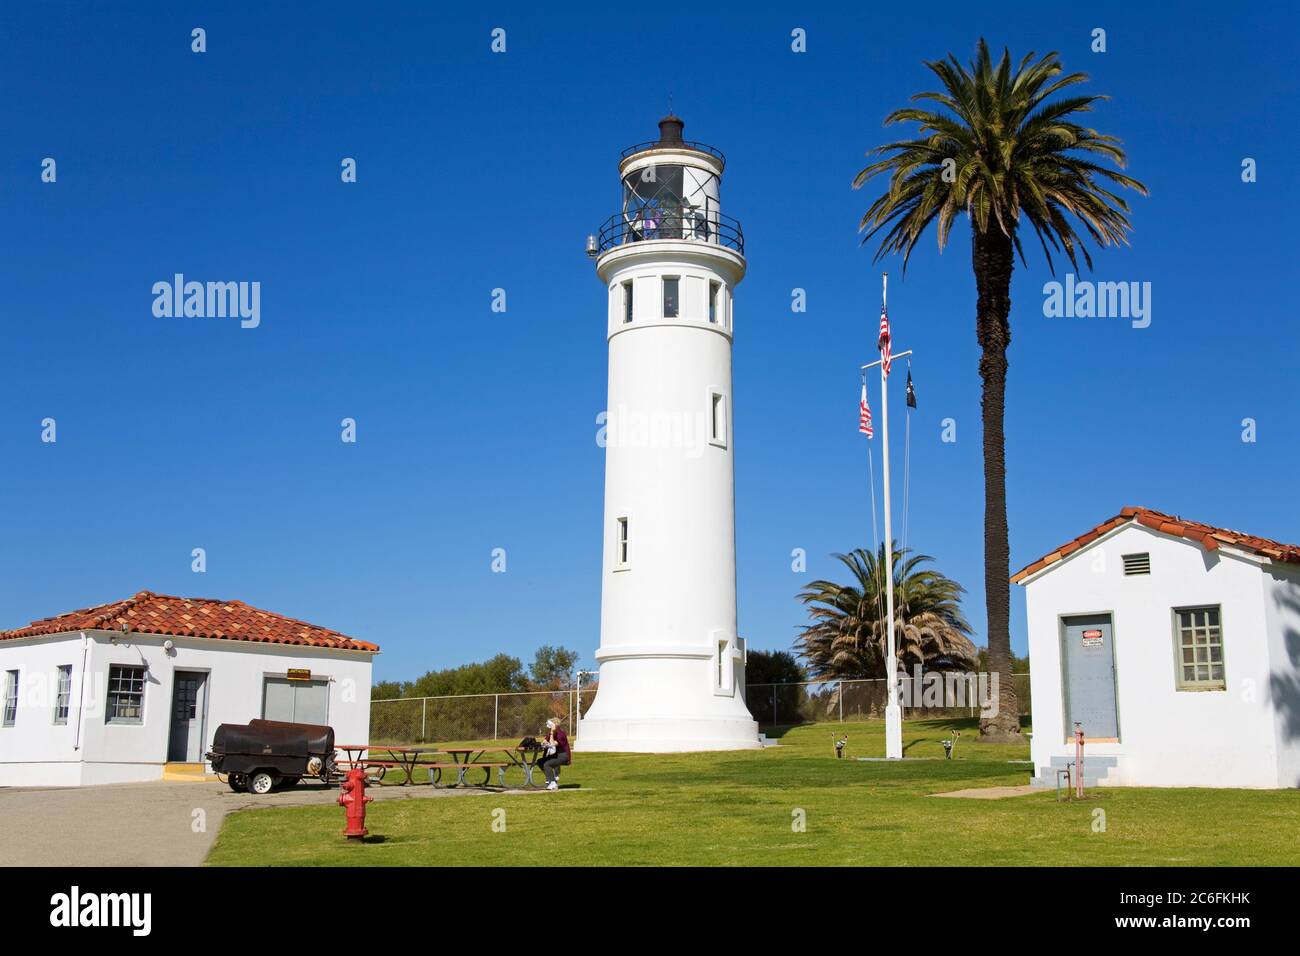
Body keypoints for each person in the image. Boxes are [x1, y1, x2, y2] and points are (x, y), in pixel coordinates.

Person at [539, 718, 571, 791]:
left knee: (547, 764)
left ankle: (553, 783)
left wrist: (552, 733)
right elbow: (544, 741)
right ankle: (551, 779)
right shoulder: (551, 733)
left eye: (552, 724)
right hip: (555, 755)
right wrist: (544, 743)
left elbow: (553, 744)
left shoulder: (561, 734)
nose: (550, 726)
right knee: (540, 761)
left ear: (556, 725)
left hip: (563, 755)